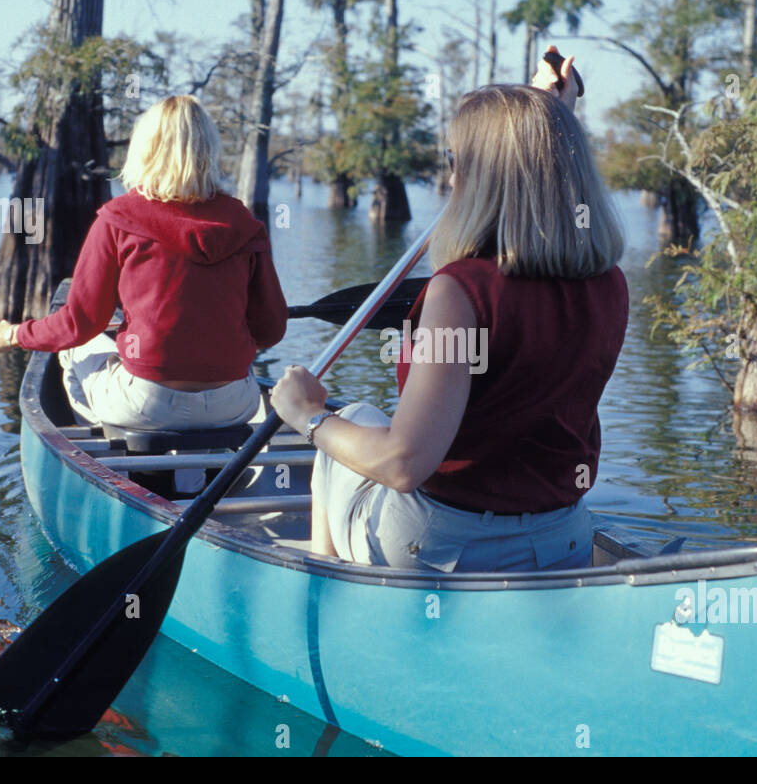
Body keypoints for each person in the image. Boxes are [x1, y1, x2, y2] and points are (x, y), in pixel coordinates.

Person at [269, 54, 628, 573]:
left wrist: (306, 415)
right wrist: (550, 118)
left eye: (454, 157)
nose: (450, 170)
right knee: (357, 422)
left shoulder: (459, 292)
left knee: (340, 430)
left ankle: (332, 595)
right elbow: (536, 174)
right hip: (562, 540)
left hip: (445, 549)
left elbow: (404, 463)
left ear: (479, 176)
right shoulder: (609, 282)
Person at [0, 95, 288, 430]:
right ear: (208, 151)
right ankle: (193, 468)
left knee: (71, 350)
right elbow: (271, 329)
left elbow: (79, 323)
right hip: (234, 404)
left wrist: (13, 334)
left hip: (148, 405)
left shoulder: (119, 218)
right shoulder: (243, 222)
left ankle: (110, 451)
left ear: (145, 150)